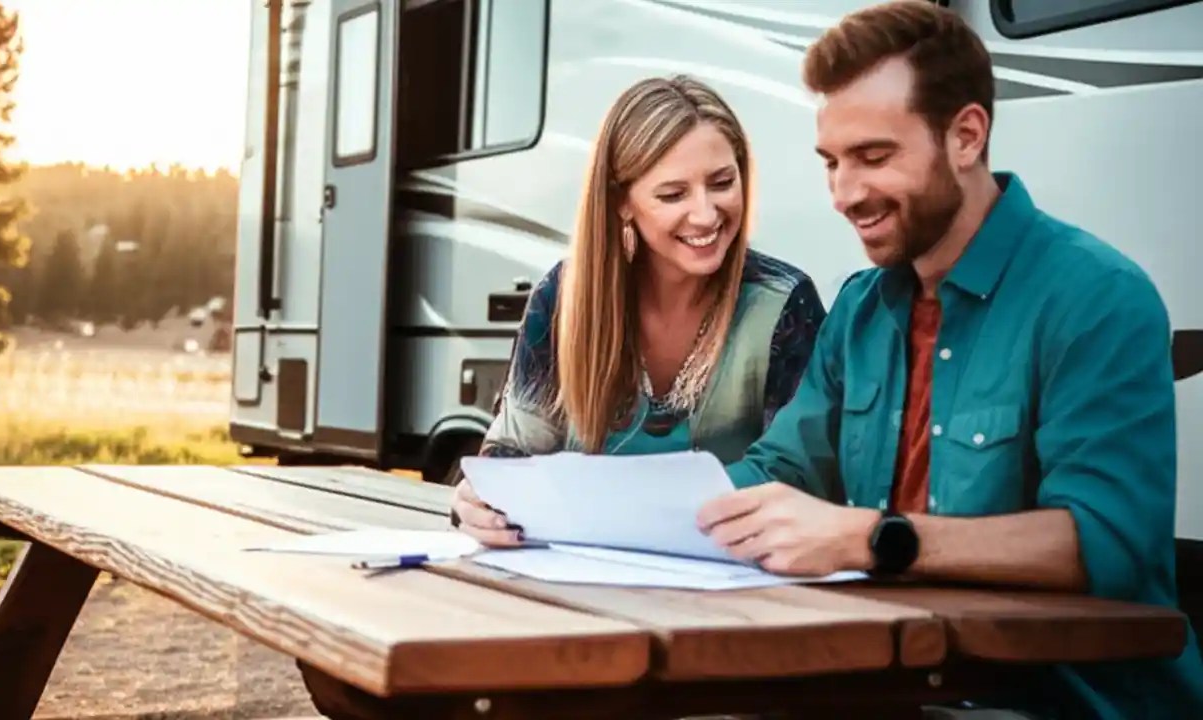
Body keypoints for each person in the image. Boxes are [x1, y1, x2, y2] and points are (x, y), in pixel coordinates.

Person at [693, 2, 1203, 718]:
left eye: (873, 157)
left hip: (1060, 703)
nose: (844, 194)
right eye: (832, 163)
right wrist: (574, 507)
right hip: (890, 688)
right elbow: (779, 471)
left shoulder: (1098, 298)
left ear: (966, 136)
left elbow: (1106, 543)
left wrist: (875, 540)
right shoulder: (861, 309)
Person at [450, 75, 827, 547]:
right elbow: (513, 452)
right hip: (578, 584)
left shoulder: (783, 303)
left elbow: (795, 476)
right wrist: (478, 501)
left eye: (722, 183)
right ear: (622, 202)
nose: (707, 214)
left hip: (732, 589)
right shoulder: (563, 296)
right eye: (673, 194)